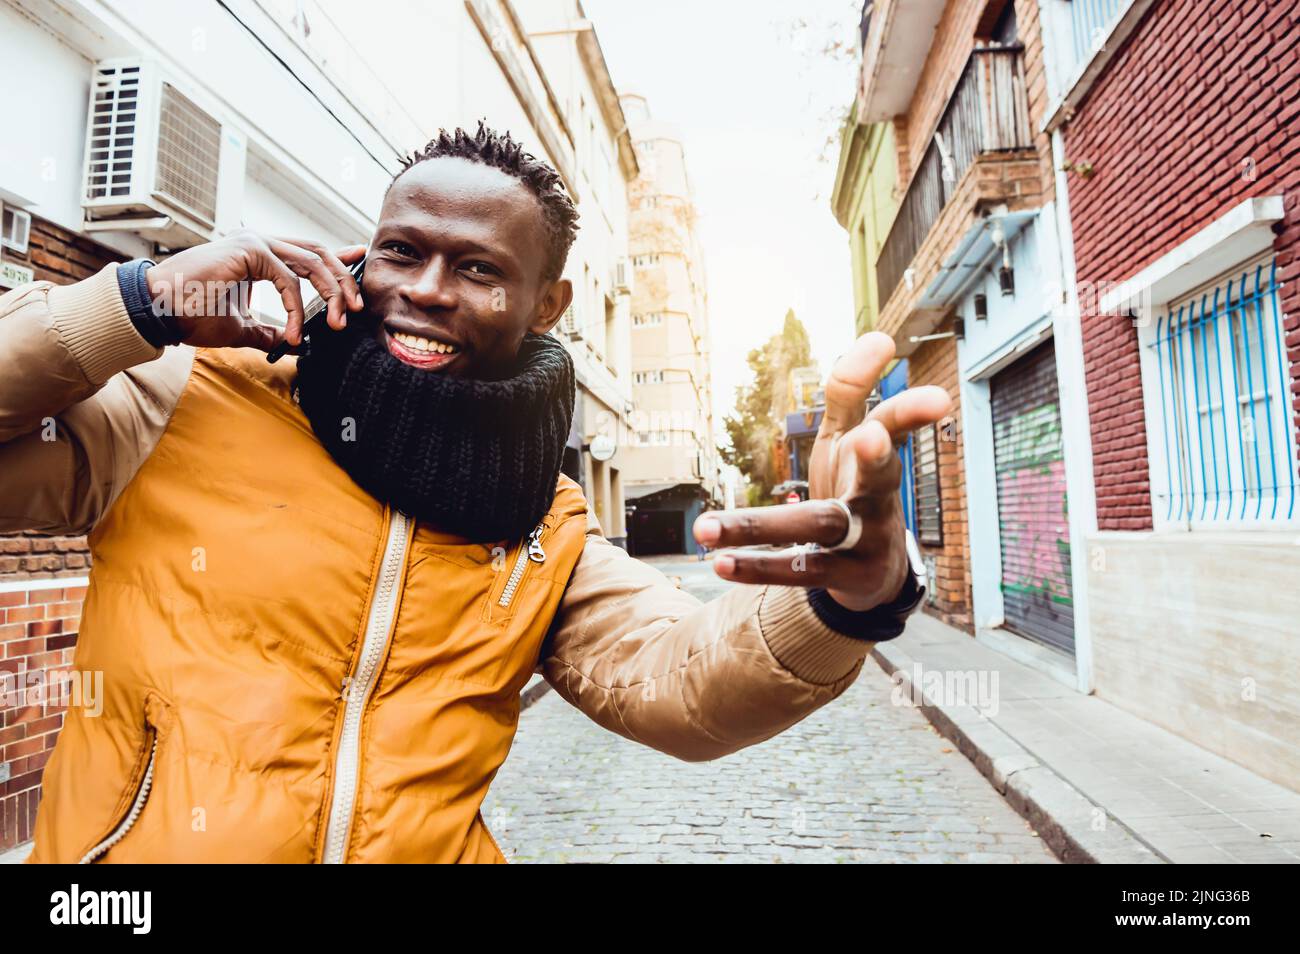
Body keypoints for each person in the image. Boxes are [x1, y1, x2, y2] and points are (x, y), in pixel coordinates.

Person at [0, 123, 950, 863]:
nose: (426, 288)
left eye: (479, 268)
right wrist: (136, 303)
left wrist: (845, 601)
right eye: (401, 252)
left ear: (548, 306)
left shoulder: (545, 522)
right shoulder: (185, 405)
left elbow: (679, 682)